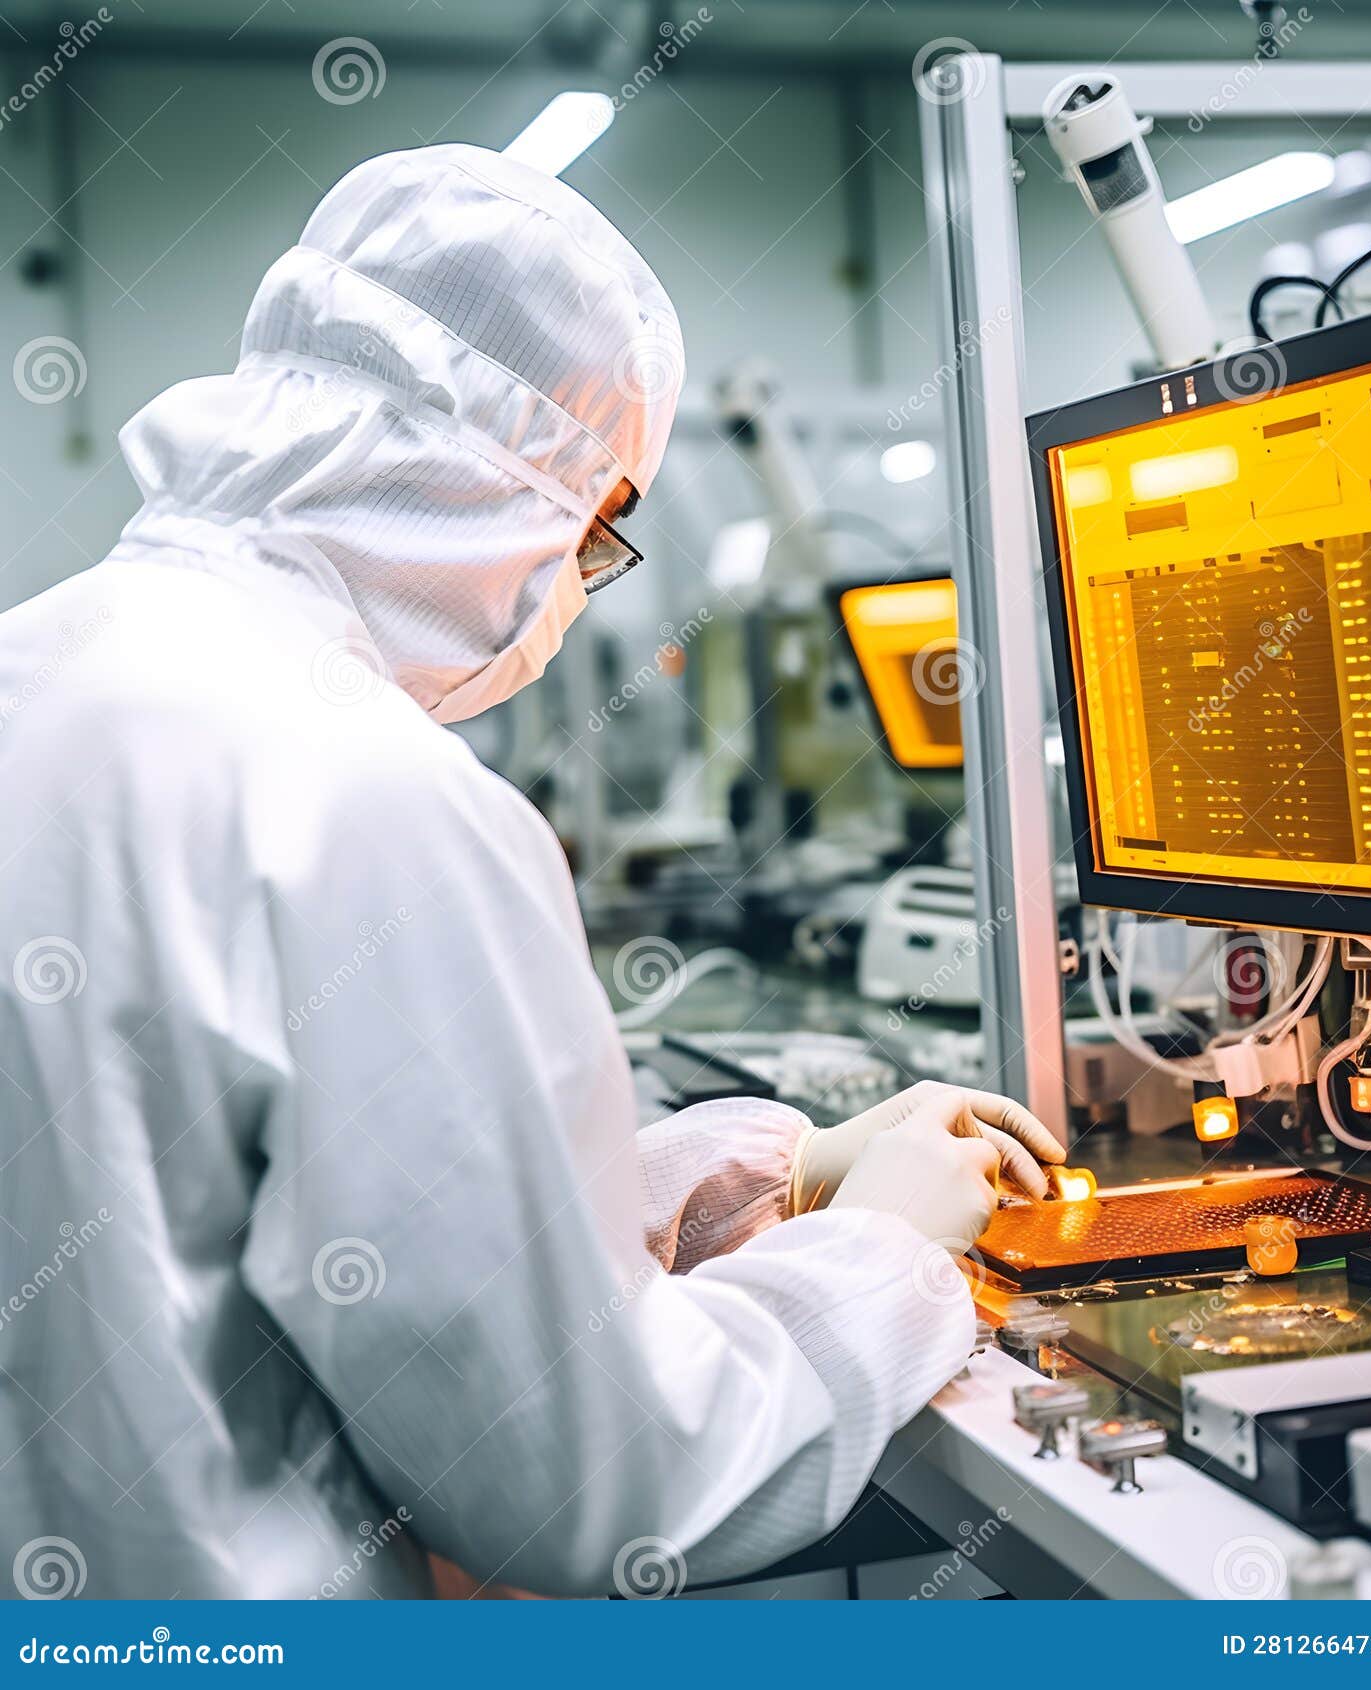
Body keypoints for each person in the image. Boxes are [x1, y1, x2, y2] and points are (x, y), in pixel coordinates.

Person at [0, 144, 1062, 1601]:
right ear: (520, 491)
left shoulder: (43, 665)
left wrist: (772, 1169)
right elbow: (589, 1476)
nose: (580, 581)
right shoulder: (377, 800)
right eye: (602, 531)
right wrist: (885, 1252)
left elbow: (296, 1214)